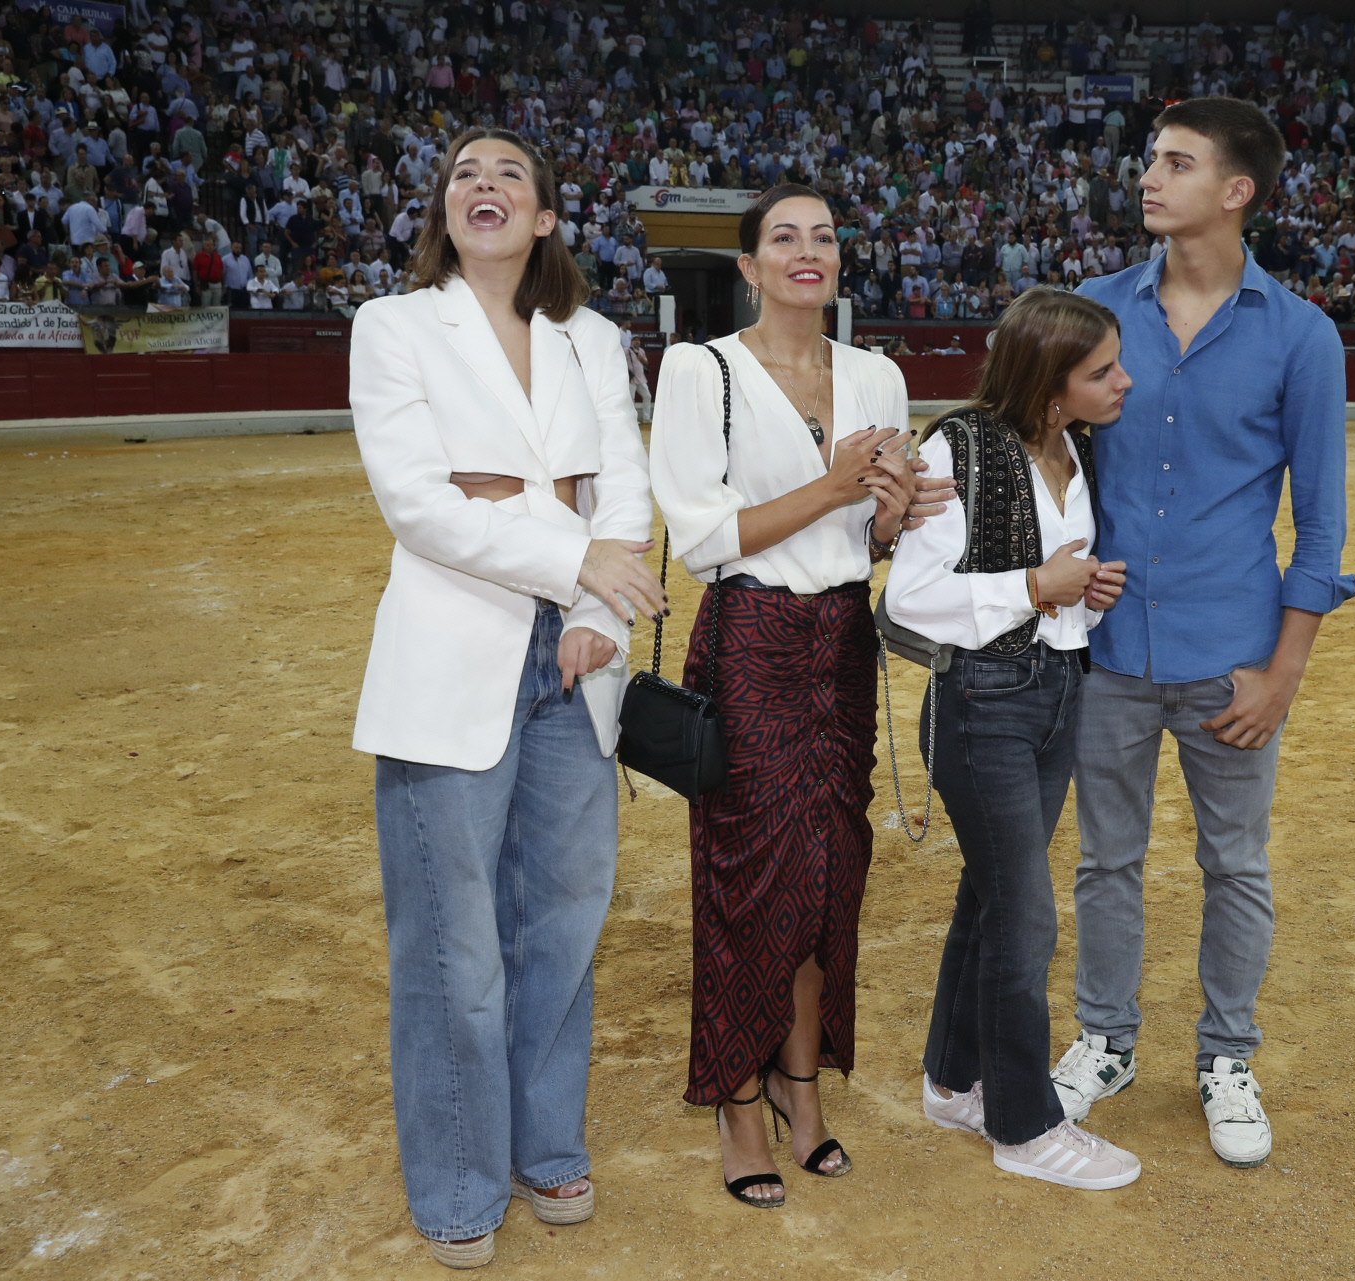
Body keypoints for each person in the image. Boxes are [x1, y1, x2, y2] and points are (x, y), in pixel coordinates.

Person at [347, 126, 664, 1271]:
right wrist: (570, 543)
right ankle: (460, 1185)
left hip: (576, 663)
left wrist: (590, 605)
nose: (484, 185)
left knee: (564, 930)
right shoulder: (392, 327)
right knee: (453, 950)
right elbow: (420, 507)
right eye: (464, 175)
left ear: (542, 220)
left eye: (511, 176)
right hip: (451, 661)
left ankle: (543, 1145)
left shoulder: (592, 337)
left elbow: (621, 491)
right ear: (444, 212)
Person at [1064, 97, 1355, 1169]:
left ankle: (1228, 1056)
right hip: (1102, 652)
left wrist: (1283, 672)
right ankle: (1105, 1040)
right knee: (1106, 863)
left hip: (1234, 657)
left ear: (1236, 193)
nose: (1150, 175)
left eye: (1177, 163)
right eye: (1150, 157)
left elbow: (1320, 524)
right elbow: (1031, 460)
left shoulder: (1303, 335)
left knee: (1236, 868)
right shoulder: (1089, 310)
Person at [649, 183, 950, 1210]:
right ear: (750, 266)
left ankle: (799, 1083)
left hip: (842, 640)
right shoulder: (702, 370)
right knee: (754, 872)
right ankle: (737, 1099)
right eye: (784, 238)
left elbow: (863, 544)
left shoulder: (878, 374)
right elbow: (701, 540)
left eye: (823, 236)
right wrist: (832, 488)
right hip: (751, 639)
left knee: (832, 873)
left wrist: (895, 514)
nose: (807, 251)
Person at [885, 288, 1140, 1189]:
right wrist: (1035, 585)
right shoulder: (958, 447)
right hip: (984, 702)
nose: (1123, 381)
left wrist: (1075, 592)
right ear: (1051, 379)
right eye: (1102, 369)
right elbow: (905, 601)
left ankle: (954, 1079)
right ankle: (1024, 1125)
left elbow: (1054, 584)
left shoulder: (1078, 446)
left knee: (991, 899)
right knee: (1025, 916)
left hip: (1057, 691)